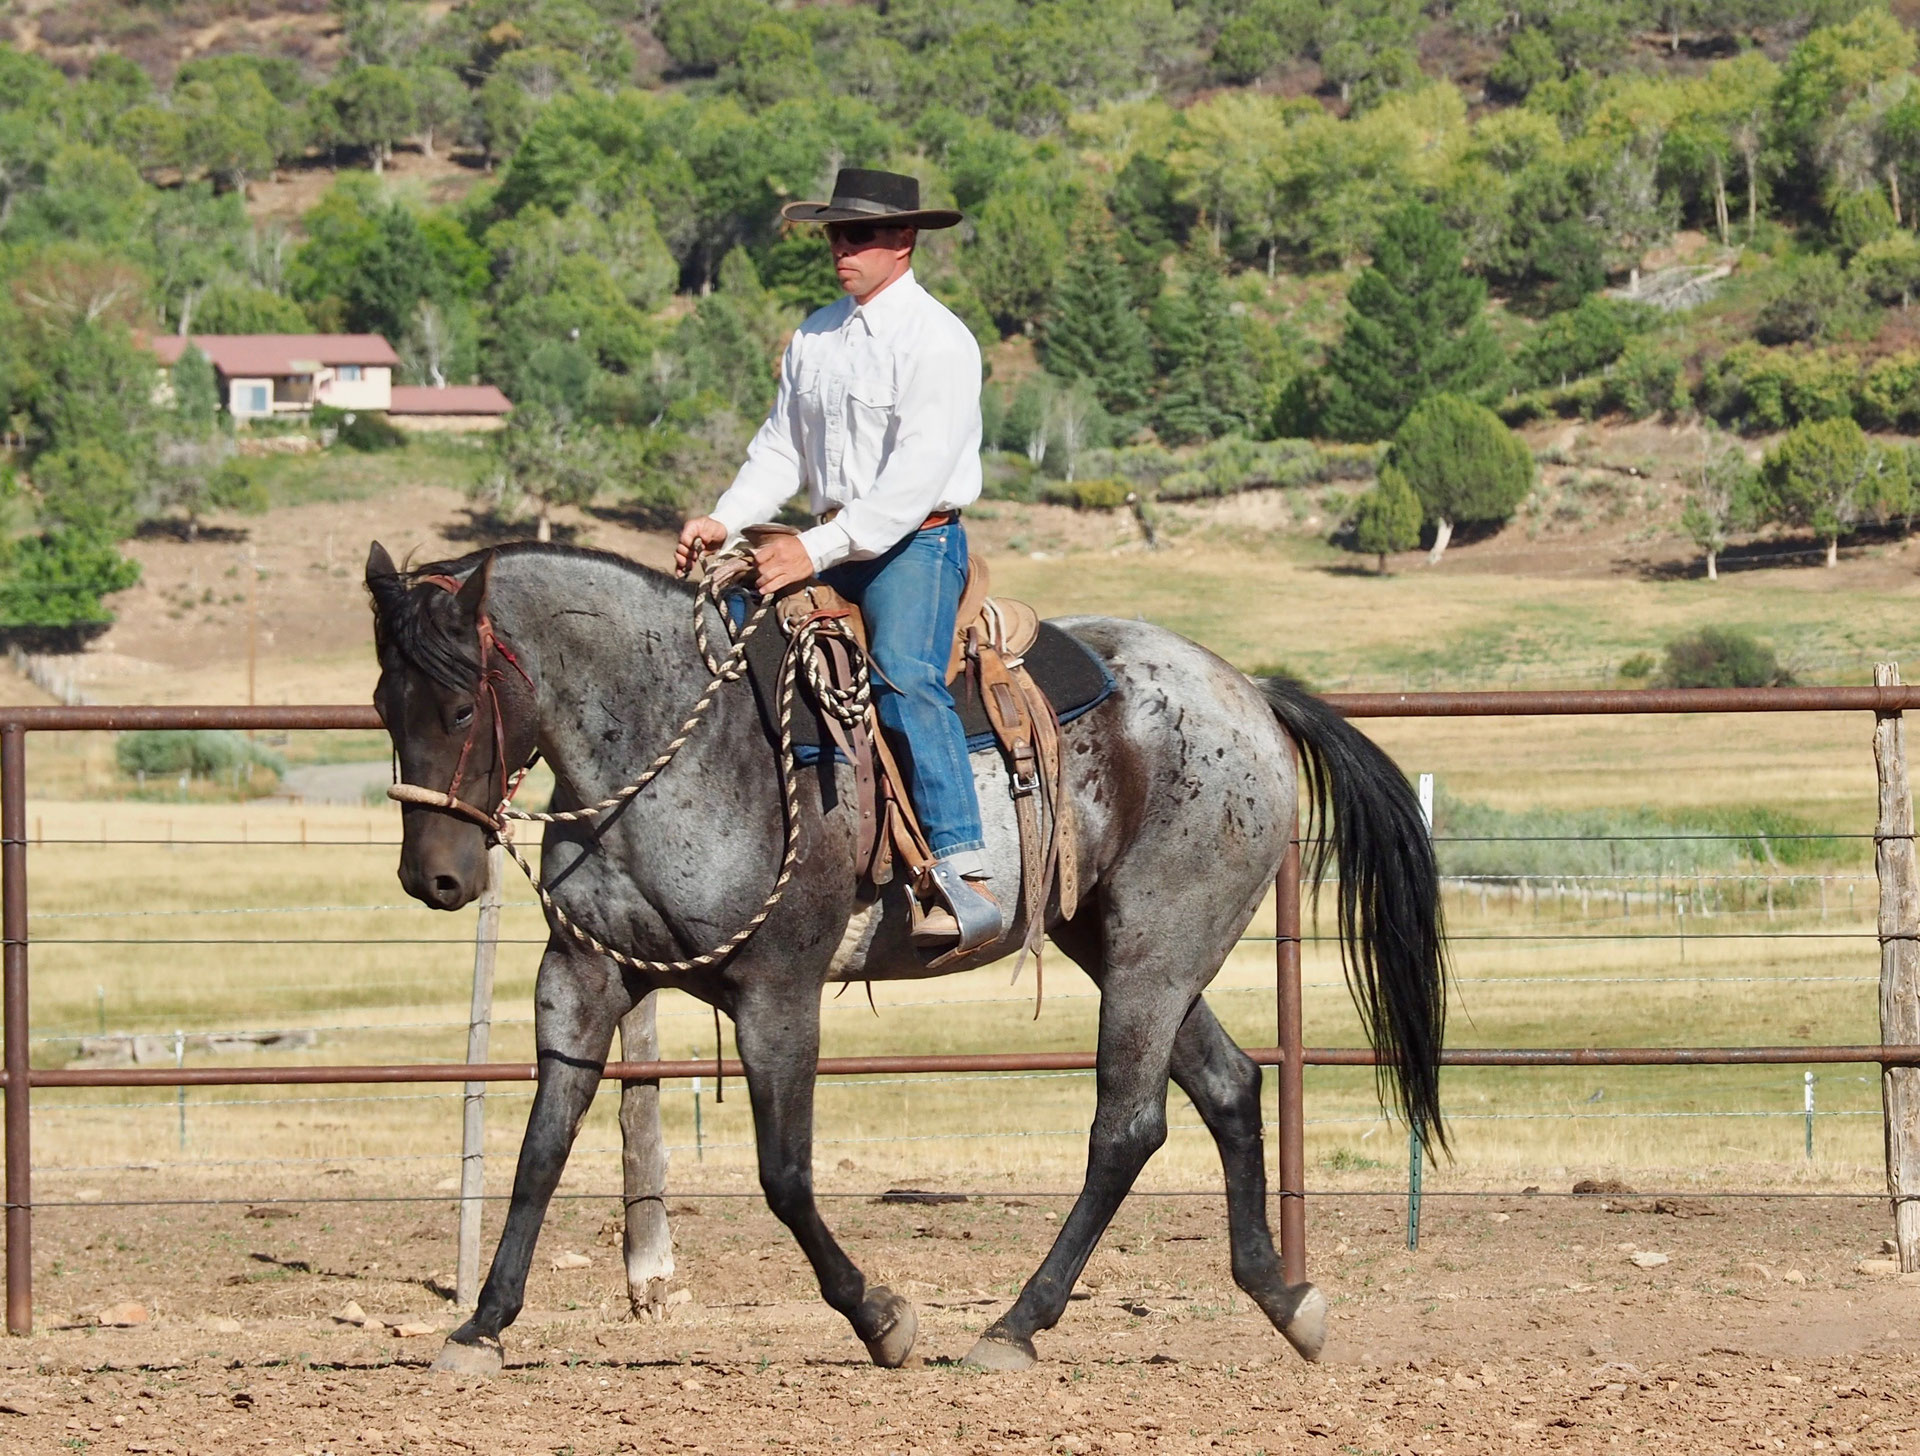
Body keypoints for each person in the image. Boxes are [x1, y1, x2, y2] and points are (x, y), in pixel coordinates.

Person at [675, 169, 1000, 953]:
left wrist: (806, 549)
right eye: (834, 234)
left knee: (902, 674)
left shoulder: (940, 342)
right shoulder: (817, 335)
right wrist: (726, 518)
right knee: (719, 655)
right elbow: (781, 450)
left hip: (915, 541)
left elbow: (908, 485)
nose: (840, 250)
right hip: (831, 541)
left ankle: (963, 869)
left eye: (857, 236)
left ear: (904, 241)